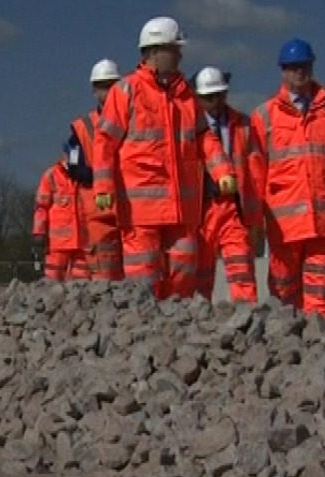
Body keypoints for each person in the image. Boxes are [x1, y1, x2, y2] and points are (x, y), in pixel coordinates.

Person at [93, 16, 237, 299]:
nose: (181, 54)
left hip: (181, 209)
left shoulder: (185, 95)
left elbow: (204, 138)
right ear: (155, 52)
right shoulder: (126, 91)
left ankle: (175, 331)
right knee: (142, 281)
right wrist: (103, 186)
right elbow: (104, 143)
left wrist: (223, 171)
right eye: (175, 49)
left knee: (184, 271)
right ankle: (144, 334)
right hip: (140, 212)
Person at [249, 38, 325, 318]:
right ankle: (285, 352)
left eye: (303, 66)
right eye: (292, 67)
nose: (299, 72)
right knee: (283, 294)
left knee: (319, 296)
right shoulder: (265, 116)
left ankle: (317, 352)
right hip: (285, 225)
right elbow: (255, 169)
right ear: (282, 71)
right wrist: (253, 220)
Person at [191, 66, 263, 303]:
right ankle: (197, 327)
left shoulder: (242, 124)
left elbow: (255, 171)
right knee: (199, 276)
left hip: (234, 209)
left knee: (241, 267)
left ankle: (247, 322)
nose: (214, 102)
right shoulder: (190, 128)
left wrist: (254, 216)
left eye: (219, 95)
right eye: (208, 97)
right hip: (202, 211)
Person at [65, 59, 125, 281]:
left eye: (112, 85)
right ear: (94, 89)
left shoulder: (134, 119)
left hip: (131, 203)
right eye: (103, 86)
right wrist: (100, 178)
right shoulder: (83, 127)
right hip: (98, 208)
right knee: (104, 269)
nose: (108, 92)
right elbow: (74, 167)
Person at [32, 145, 90, 281]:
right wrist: (39, 232)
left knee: (80, 282)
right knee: (53, 279)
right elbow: (41, 207)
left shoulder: (83, 177)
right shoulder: (51, 176)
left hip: (82, 243)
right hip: (57, 244)